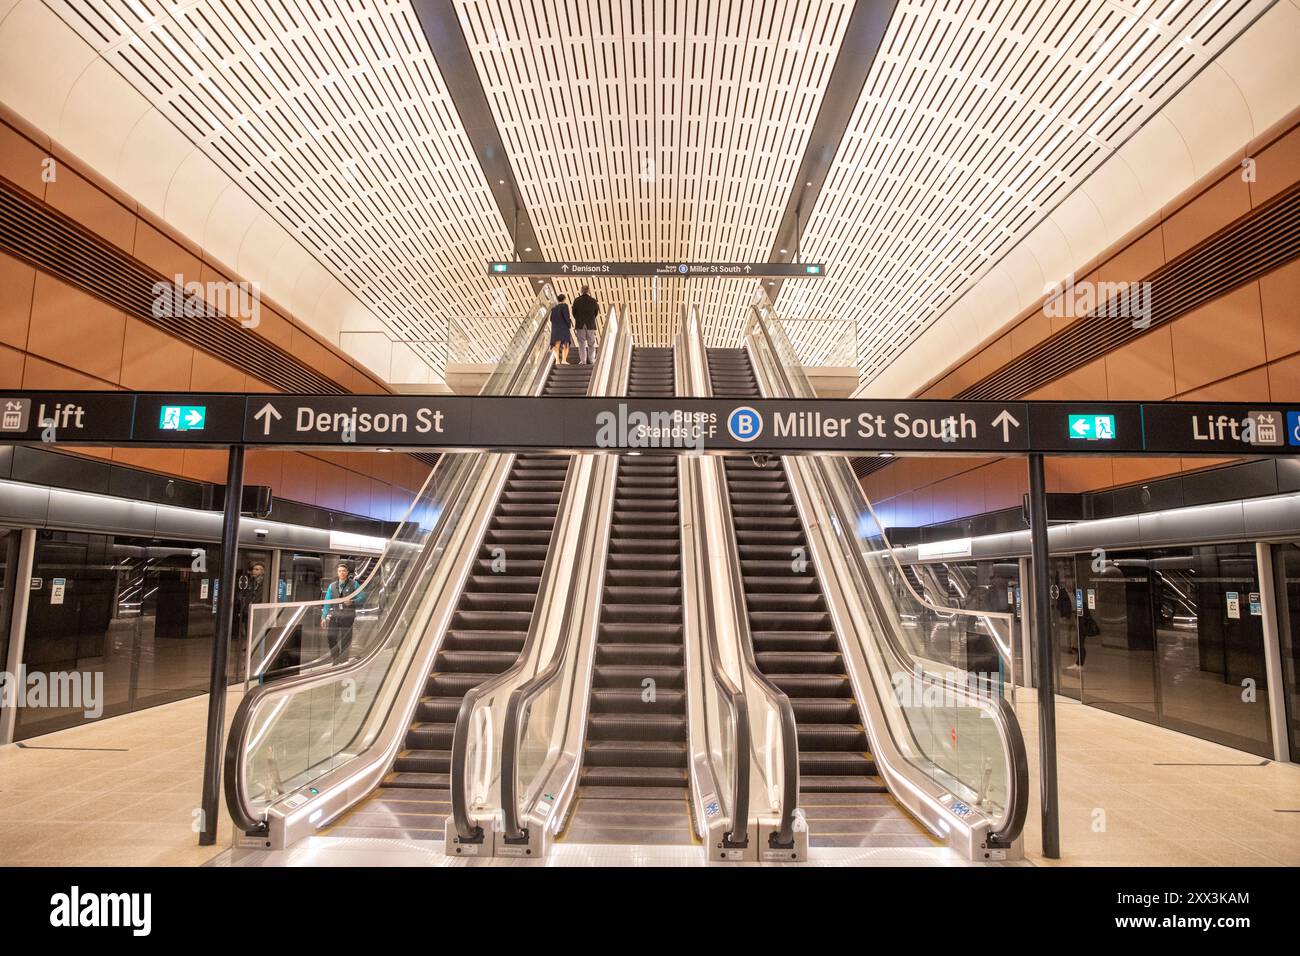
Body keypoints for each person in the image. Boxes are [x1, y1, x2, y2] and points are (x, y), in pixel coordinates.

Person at [322, 562, 366, 661]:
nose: (341, 573)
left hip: (348, 616)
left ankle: (343, 660)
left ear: (347, 573)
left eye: (343, 571)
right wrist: (323, 617)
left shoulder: (354, 584)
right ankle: (336, 657)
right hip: (335, 615)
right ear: (337, 573)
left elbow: (362, 598)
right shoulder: (332, 586)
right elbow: (327, 602)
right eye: (339, 571)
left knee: (345, 640)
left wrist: (352, 602)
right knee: (331, 637)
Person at [572, 285, 599, 365]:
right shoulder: (593, 301)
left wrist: (579, 319)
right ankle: (591, 360)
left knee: (581, 344)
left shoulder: (577, 300)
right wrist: (591, 319)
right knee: (591, 343)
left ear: (581, 291)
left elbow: (574, 312)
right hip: (590, 325)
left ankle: (583, 361)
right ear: (588, 291)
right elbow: (596, 312)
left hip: (580, 325)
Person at [549, 293, 572, 364]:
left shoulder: (554, 307)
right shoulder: (564, 306)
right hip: (563, 327)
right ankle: (564, 360)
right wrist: (569, 324)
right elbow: (566, 317)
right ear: (564, 299)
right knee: (566, 344)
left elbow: (551, 318)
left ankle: (557, 361)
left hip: (555, 328)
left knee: (556, 344)